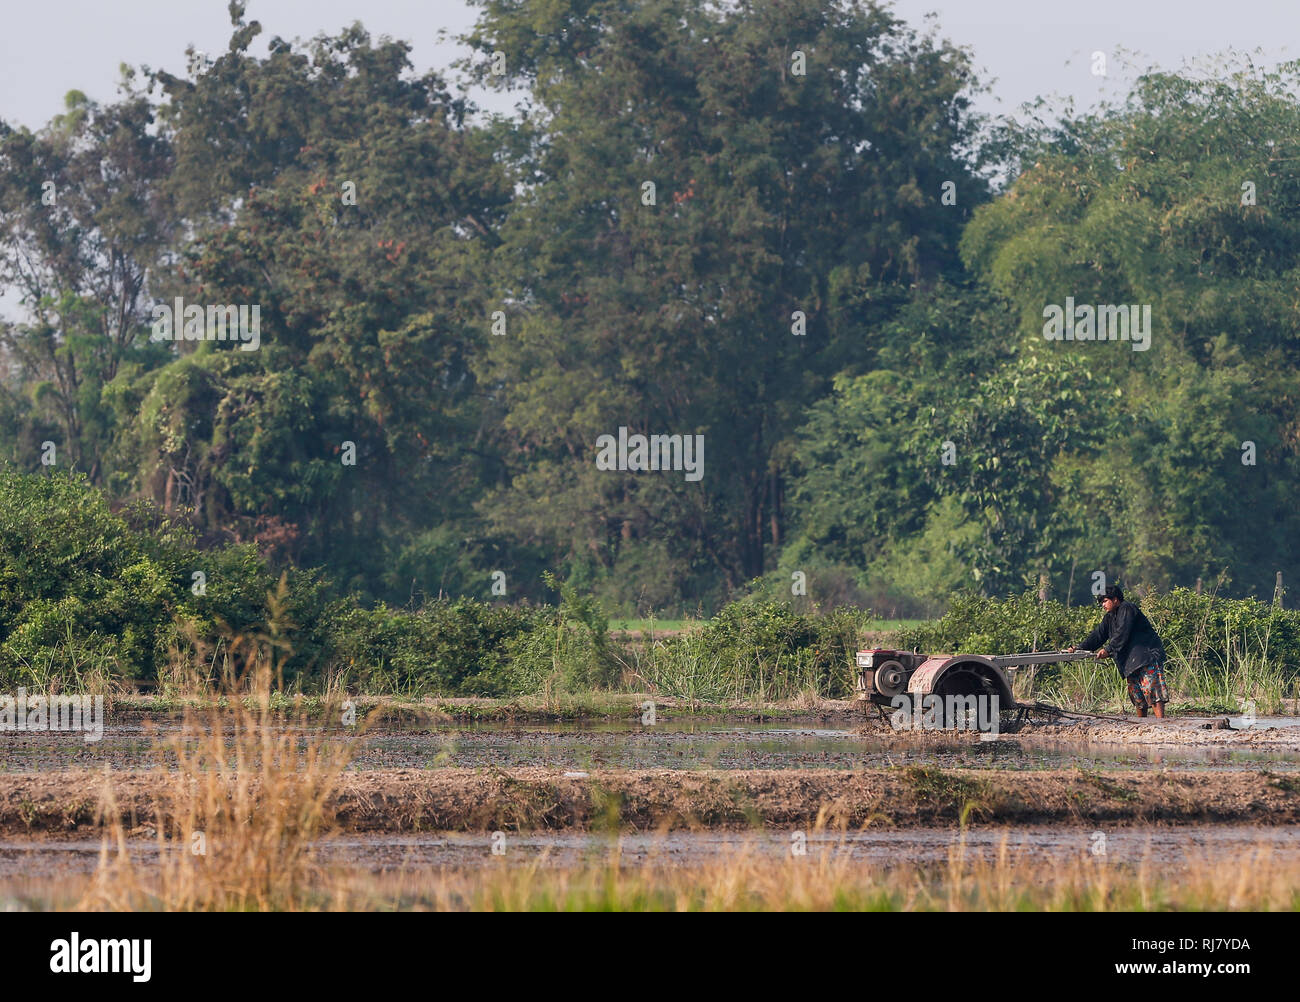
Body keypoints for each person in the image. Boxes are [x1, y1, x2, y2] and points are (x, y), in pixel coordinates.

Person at [1066, 584, 1170, 719]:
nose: (1103, 605)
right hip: (1130, 663)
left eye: (1105, 601)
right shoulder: (1109, 617)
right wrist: (1079, 648)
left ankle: (1161, 724)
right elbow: (1097, 636)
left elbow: (1122, 632)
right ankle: (1142, 724)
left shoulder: (1127, 608)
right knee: (1138, 698)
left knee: (1153, 693)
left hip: (1146, 656)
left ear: (1115, 599)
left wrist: (1108, 650)